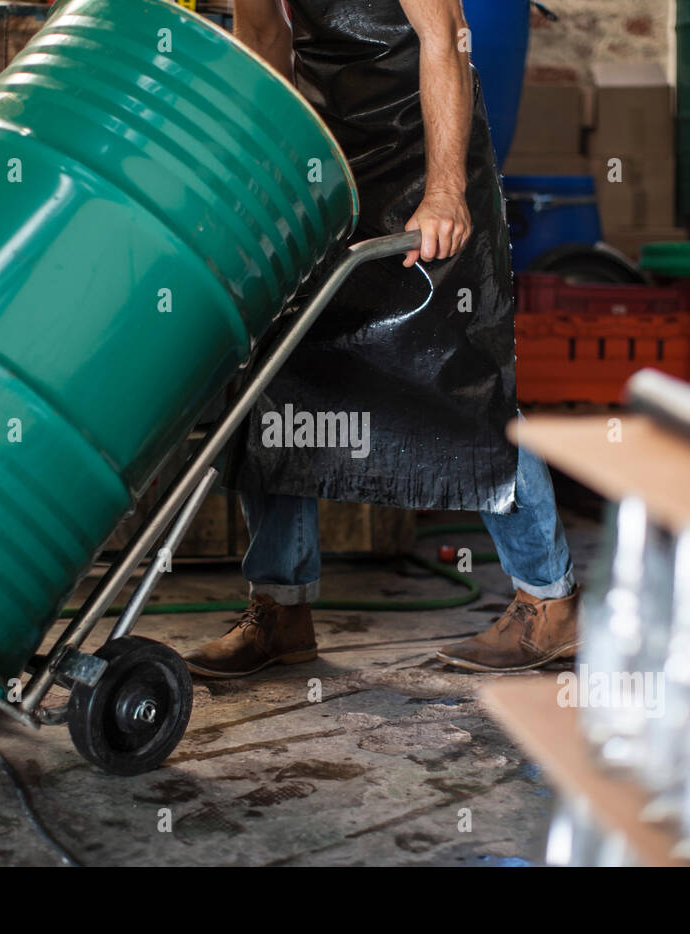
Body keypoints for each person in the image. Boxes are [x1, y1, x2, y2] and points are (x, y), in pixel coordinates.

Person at [184, 0, 577, 678]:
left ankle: (550, 603)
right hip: (327, 158)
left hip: (423, 150)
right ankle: (280, 608)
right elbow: (262, 33)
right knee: (279, 375)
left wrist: (447, 189)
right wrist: (263, 173)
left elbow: (445, 39)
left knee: (461, 381)